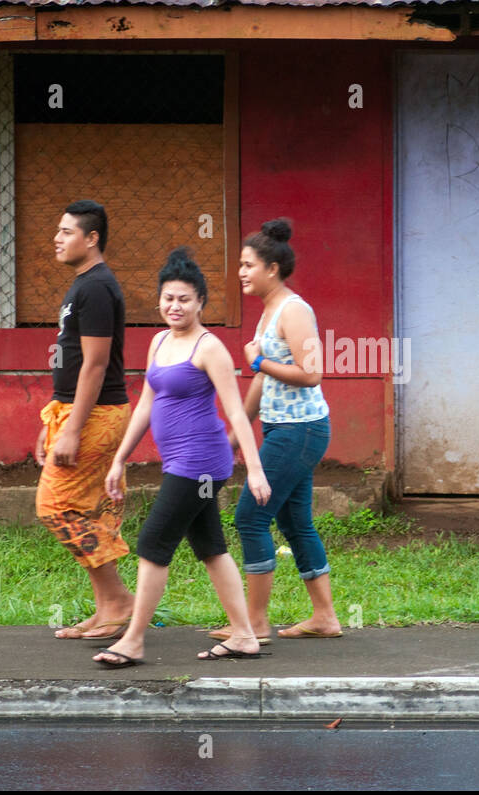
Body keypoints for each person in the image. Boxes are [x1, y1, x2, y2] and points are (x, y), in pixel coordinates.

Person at [93, 248, 271, 667]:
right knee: (210, 545)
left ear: (200, 304)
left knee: (154, 541)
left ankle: (133, 640)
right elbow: (145, 406)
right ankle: (244, 635)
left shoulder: (211, 349)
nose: (175, 306)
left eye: (185, 299)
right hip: (178, 461)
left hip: (202, 464)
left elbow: (237, 413)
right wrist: (119, 458)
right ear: (160, 299)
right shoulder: (158, 341)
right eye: (169, 298)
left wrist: (256, 470)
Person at [208, 218, 342, 644]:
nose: (242, 273)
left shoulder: (295, 311)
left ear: (272, 268)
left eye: (248, 265)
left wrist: (257, 362)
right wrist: (235, 434)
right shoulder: (269, 312)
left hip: (300, 431)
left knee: (251, 516)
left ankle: (255, 624)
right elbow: (263, 382)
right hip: (283, 429)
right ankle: (325, 617)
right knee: (295, 521)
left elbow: (312, 373)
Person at [36, 200, 135, 640]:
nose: (57, 239)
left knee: (56, 506)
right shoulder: (86, 285)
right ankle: (108, 606)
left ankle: (118, 601)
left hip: (96, 415)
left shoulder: (95, 287)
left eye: (66, 231)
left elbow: (95, 365)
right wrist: (54, 419)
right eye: (57, 231)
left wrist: (73, 428)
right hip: (80, 410)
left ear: (91, 238)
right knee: (86, 507)